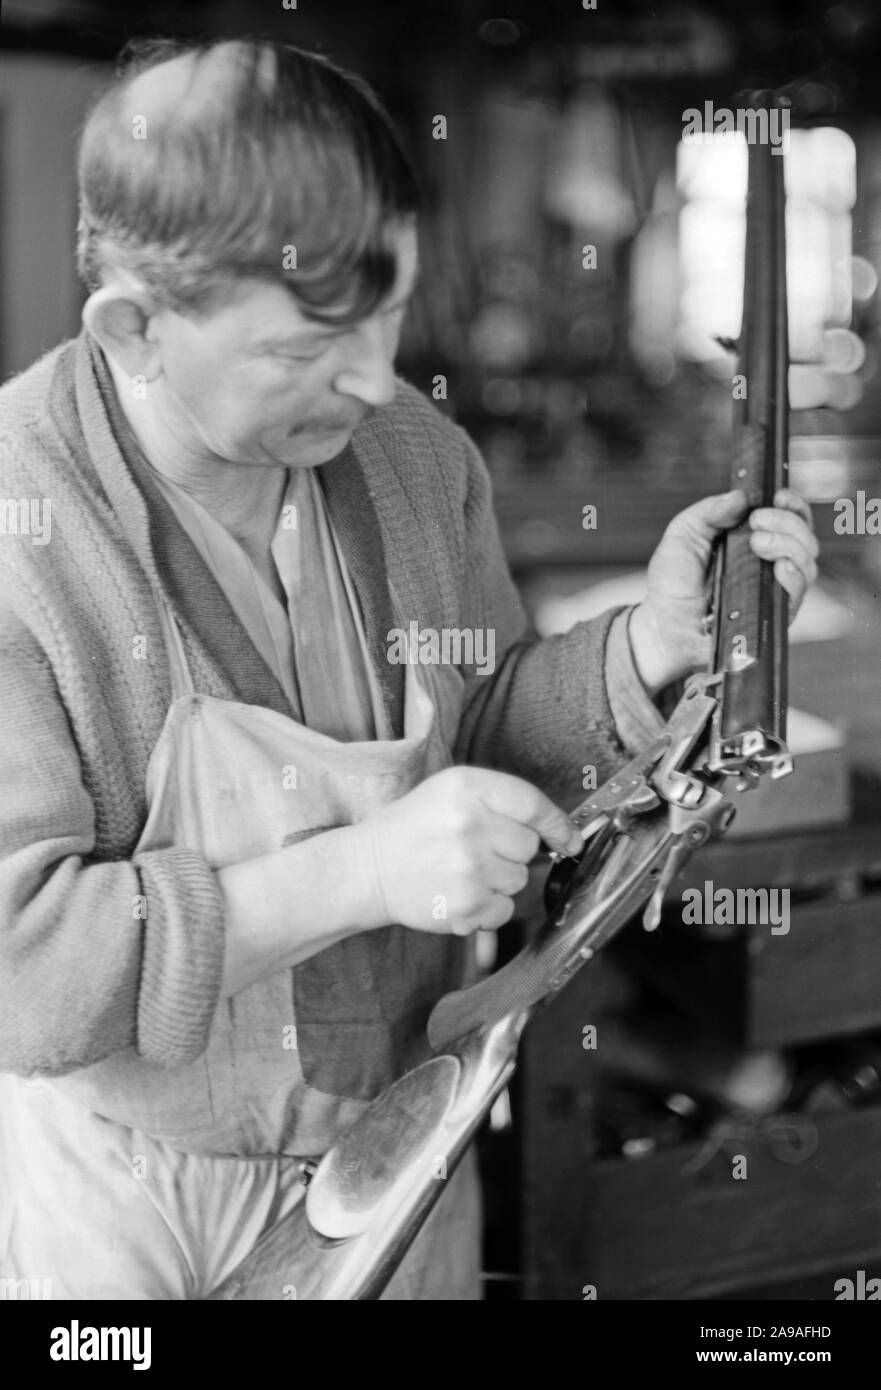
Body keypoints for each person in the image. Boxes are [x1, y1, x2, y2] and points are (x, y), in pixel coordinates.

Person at [0, 37, 817, 1301]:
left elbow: (479, 732)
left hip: (404, 1147)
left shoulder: (412, 463)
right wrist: (362, 871)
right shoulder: (24, 528)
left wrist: (654, 645)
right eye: (308, 346)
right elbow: (26, 973)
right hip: (130, 1204)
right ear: (134, 327)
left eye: (388, 314)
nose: (377, 379)